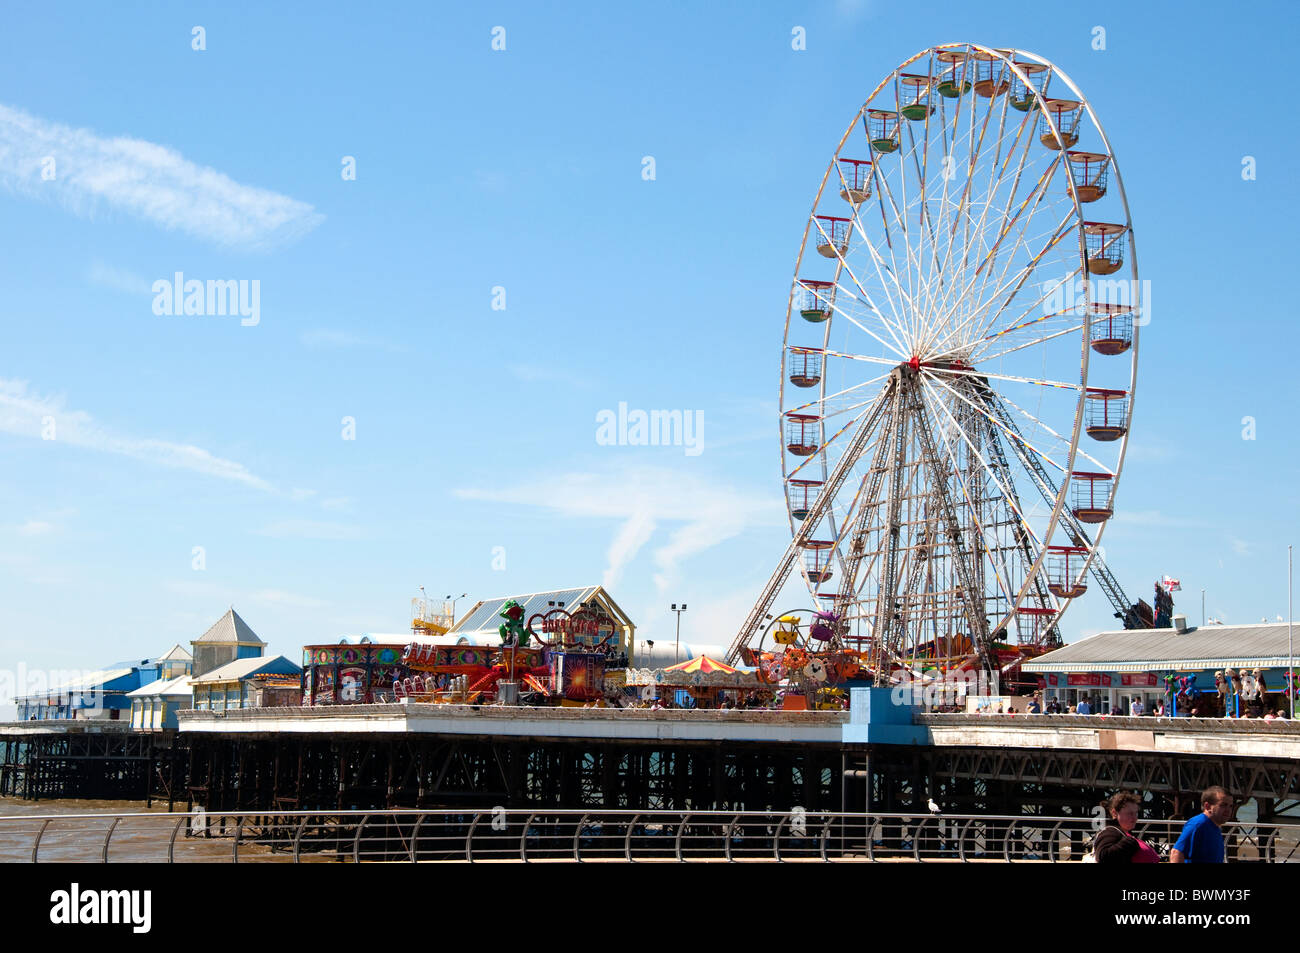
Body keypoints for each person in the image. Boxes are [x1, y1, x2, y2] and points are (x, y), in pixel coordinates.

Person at [1170, 786, 1233, 864]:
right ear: (1207, 806)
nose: (1228, 810)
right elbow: (1176, 853)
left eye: (1230, 806)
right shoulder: (1198, 824)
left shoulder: (1215, 827)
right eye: (1223, 805)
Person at [1093, 792, 1160, 863]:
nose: (1134, 818)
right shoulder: (1110, 832)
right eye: (1130, 813)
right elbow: (1103, 856)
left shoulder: (1123, 833)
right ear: (1114, 813)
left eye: (1136, 813)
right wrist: (1129, 842)